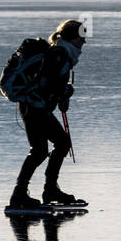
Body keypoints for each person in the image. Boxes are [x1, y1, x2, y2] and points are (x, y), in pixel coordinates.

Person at [8, 18, 86, 210]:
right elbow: (46, 85)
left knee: (42, 149)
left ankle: (29, 193)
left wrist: (61, 93)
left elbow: (49, 85)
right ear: (72, 37)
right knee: (59, 144)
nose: (84, 42)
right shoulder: (59, 55)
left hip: (33, 106)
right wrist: (64, 93)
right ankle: (41, 191)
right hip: (35, 107)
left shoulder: (61, 53)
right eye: (81, 37)